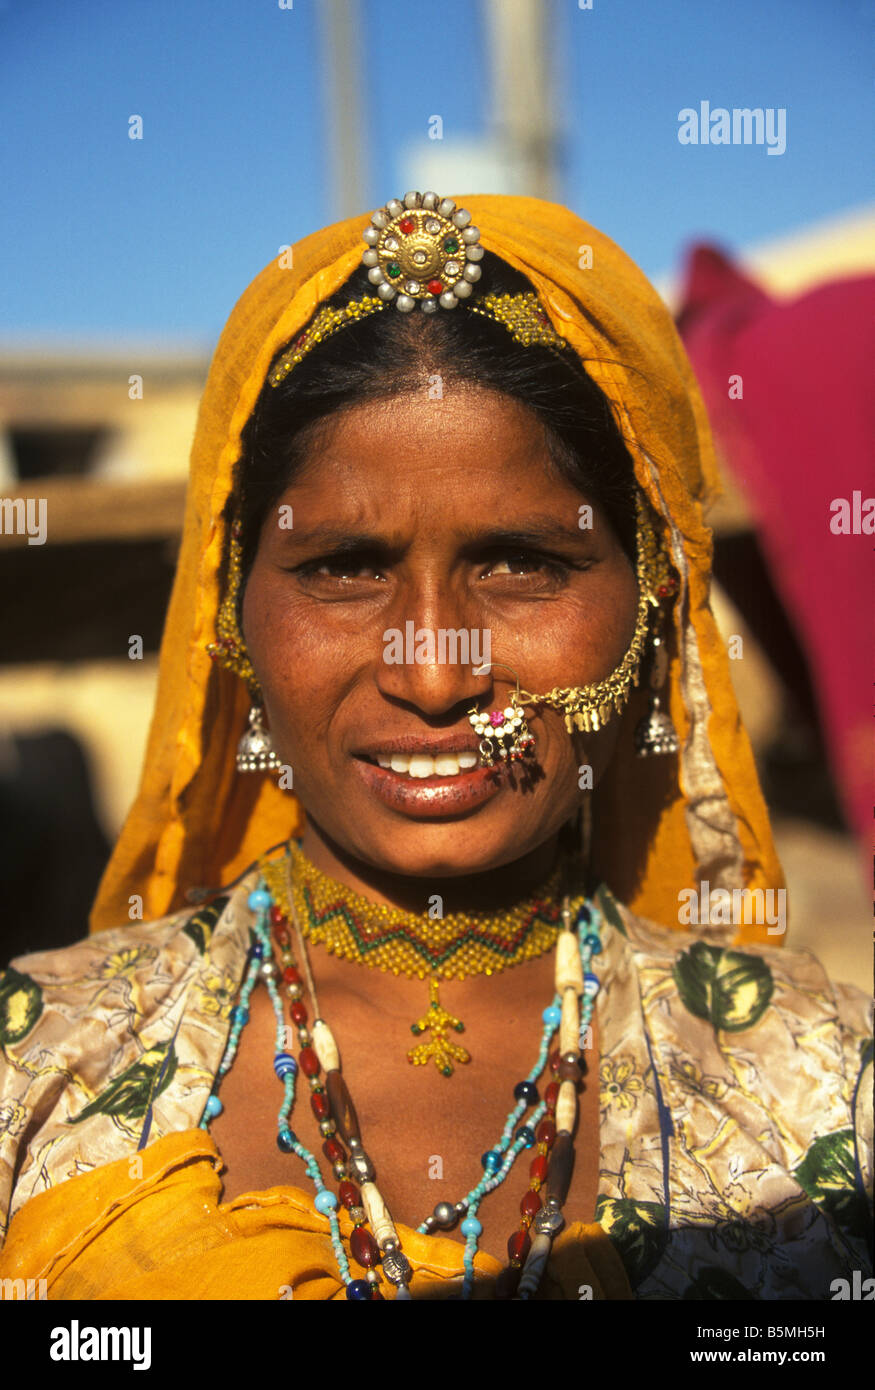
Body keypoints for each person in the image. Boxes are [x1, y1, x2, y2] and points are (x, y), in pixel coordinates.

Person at [0, 195, 870, 1301]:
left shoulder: (829, 1097)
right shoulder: (37, 1068)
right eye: (342, 567)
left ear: (651, 597)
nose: (431, 673)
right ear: (231, 611)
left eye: (520, 563)